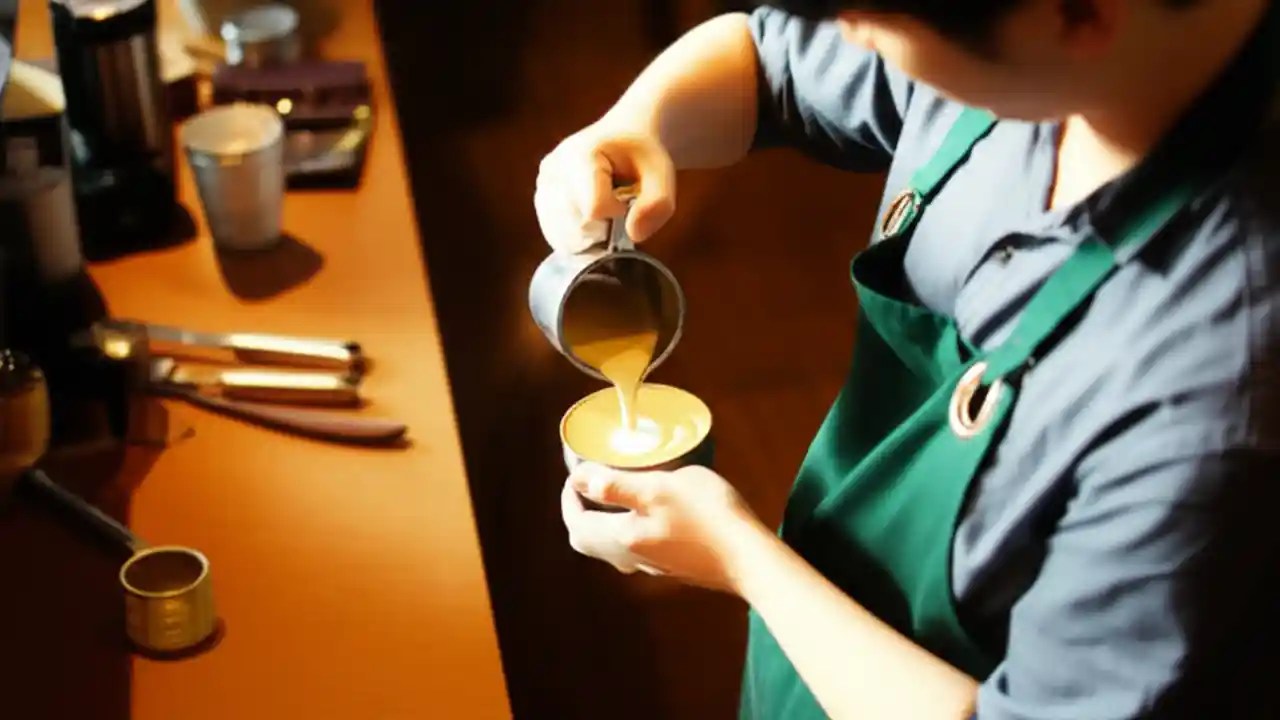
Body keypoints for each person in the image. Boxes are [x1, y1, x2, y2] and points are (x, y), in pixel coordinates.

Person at [535, 0, 1280, 717]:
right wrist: (637, 123)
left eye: (871, 22)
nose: (844, 37)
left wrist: (745, 562)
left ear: (1080, 15)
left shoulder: (1209, 399)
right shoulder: (1013, 41)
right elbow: (768, 63)